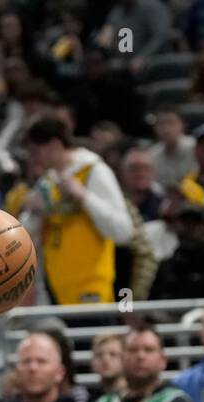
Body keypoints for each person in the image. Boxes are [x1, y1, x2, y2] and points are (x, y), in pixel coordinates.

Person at [20, 116, 134, 305]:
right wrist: (33, 213)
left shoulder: (93, 171)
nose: (33, 158)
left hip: (91, 287)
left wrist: (83, 196)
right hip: (55, 290)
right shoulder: (47, 183)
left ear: (55, 145)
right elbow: (25, 242)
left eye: (35, 150)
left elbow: (123, 231)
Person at [92, 324, 202, 402]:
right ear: (122, 358)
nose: (140, 356)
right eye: (133, 350)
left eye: (149, 350)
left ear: (163, 360)